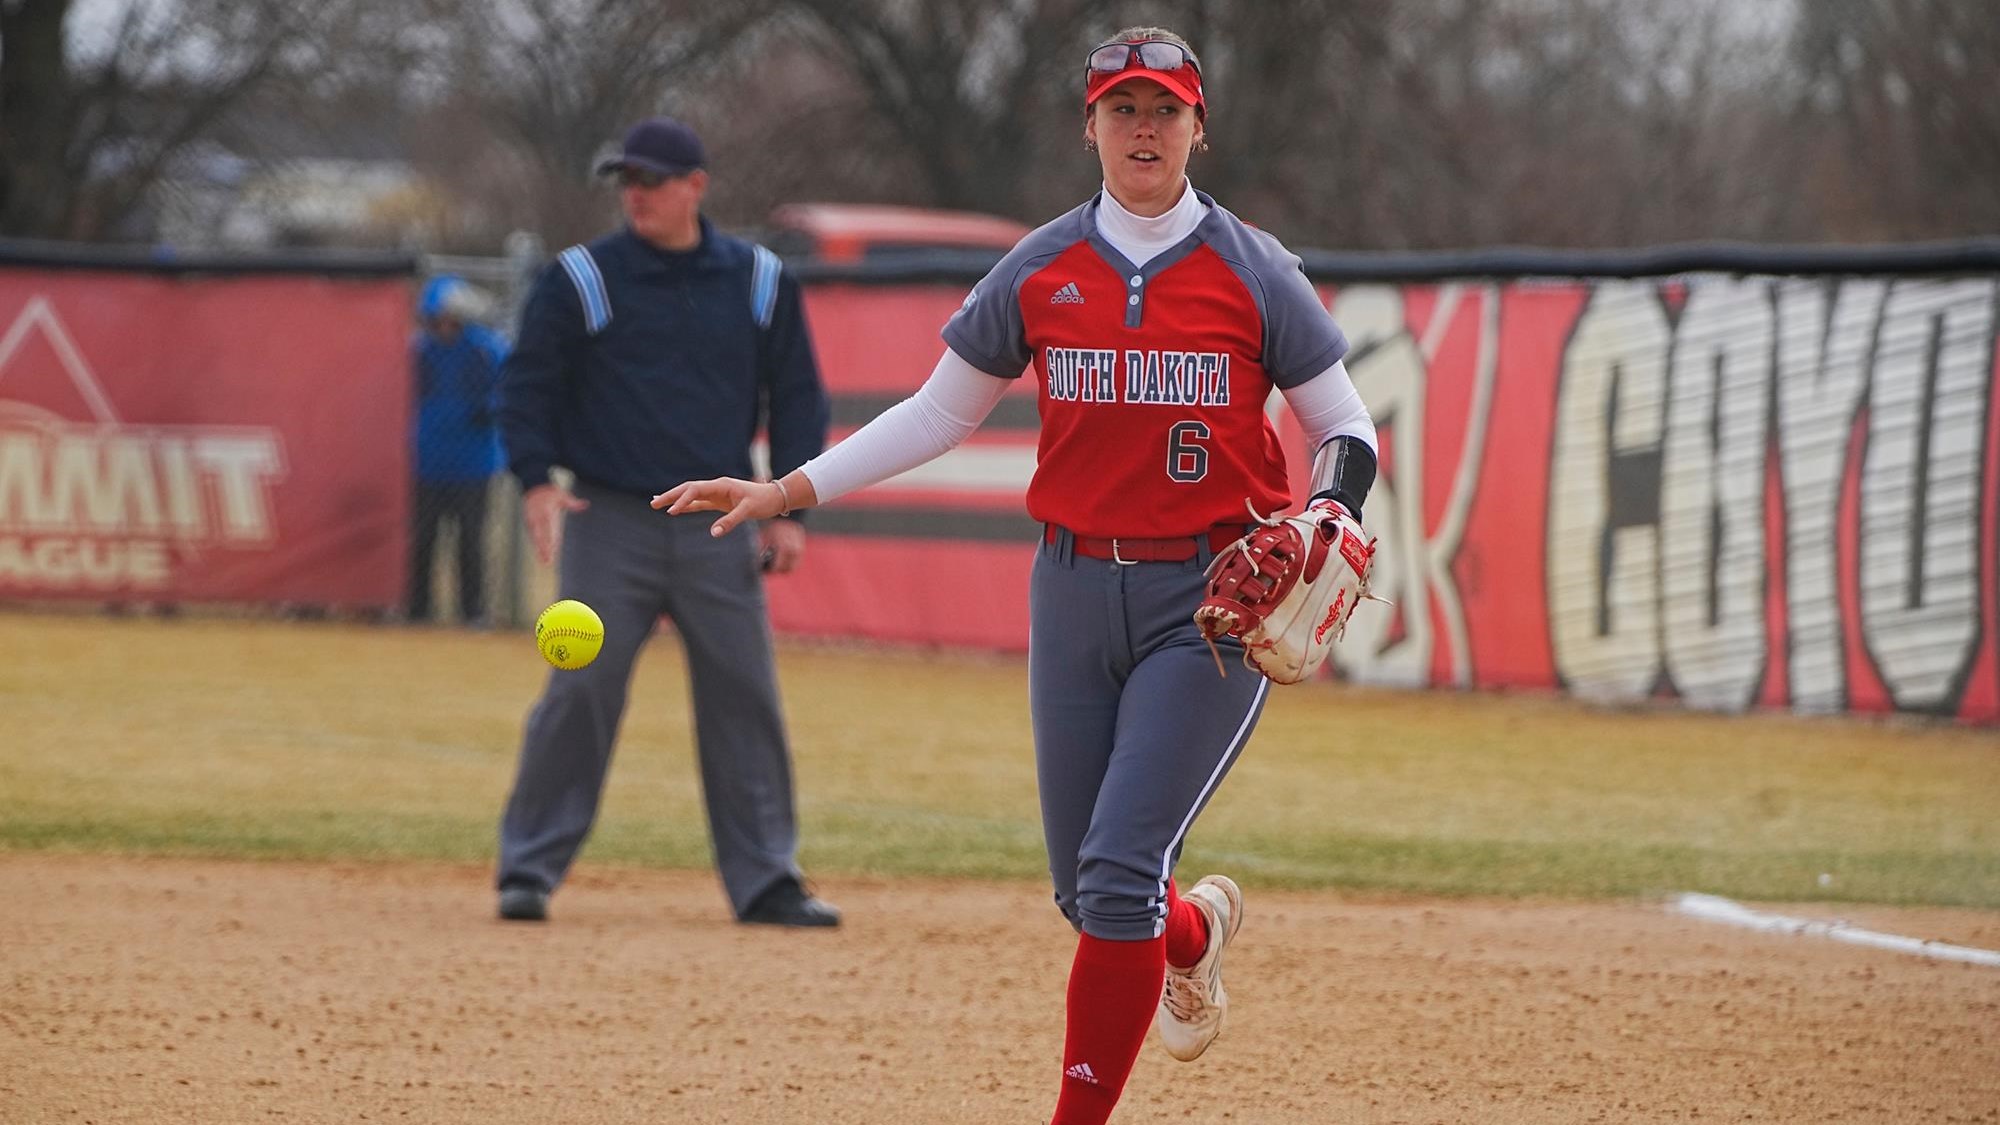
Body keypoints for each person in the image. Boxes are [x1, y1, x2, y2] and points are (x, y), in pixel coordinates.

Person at [654, 26, 1377, 1125]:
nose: (1144, 129)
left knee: (1117, 872)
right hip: (1073, 589)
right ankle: (1196, 933)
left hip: (1210, 604)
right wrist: (785, 489)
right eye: (1122, 109)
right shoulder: (1042, 266)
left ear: (1197, 128)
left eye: (1164, 111)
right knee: (1086, 893)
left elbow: (1343, 425)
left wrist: (1329, 507)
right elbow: (941, 411)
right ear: (1087, 125)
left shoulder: (1250, 267)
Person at [493, 115, 838, 929]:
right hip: (610, 515)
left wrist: (789, 507)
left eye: (651, 180)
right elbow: (526, 383)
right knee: (580, 688)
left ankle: (767, 880)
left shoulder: (758, 279)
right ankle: (528, 868)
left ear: (696, 187)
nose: (636, 195)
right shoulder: (582, 277)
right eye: (627, 181)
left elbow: (797, 395)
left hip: (718, 521)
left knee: (744, 692)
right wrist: (537, 481)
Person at [408, 275, 507, 626]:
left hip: (473, 462)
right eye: (436, 318)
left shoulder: (485, 348)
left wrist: (491, 407)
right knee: (422, 538)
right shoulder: (418, 350)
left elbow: (511, 387)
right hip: (426, 459)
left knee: (470, 540)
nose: (442, 325)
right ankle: (417, 609)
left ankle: (473, 611)